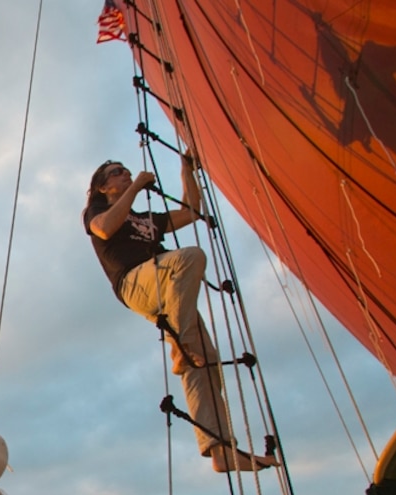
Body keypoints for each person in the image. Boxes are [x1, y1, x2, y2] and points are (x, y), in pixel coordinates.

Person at [82, 156, 278, 473]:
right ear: (103, 187)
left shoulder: (145, 219)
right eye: (118, 173)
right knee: (190, 257)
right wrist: (137, 187)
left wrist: (187, 169)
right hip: (135, 282)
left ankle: (219, 449)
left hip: (168, 291)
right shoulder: (95, 211)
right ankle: (181, 343)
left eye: (127, 171)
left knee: (204, 359)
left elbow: (191, 211)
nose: (126, 174)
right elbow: (103, 230)